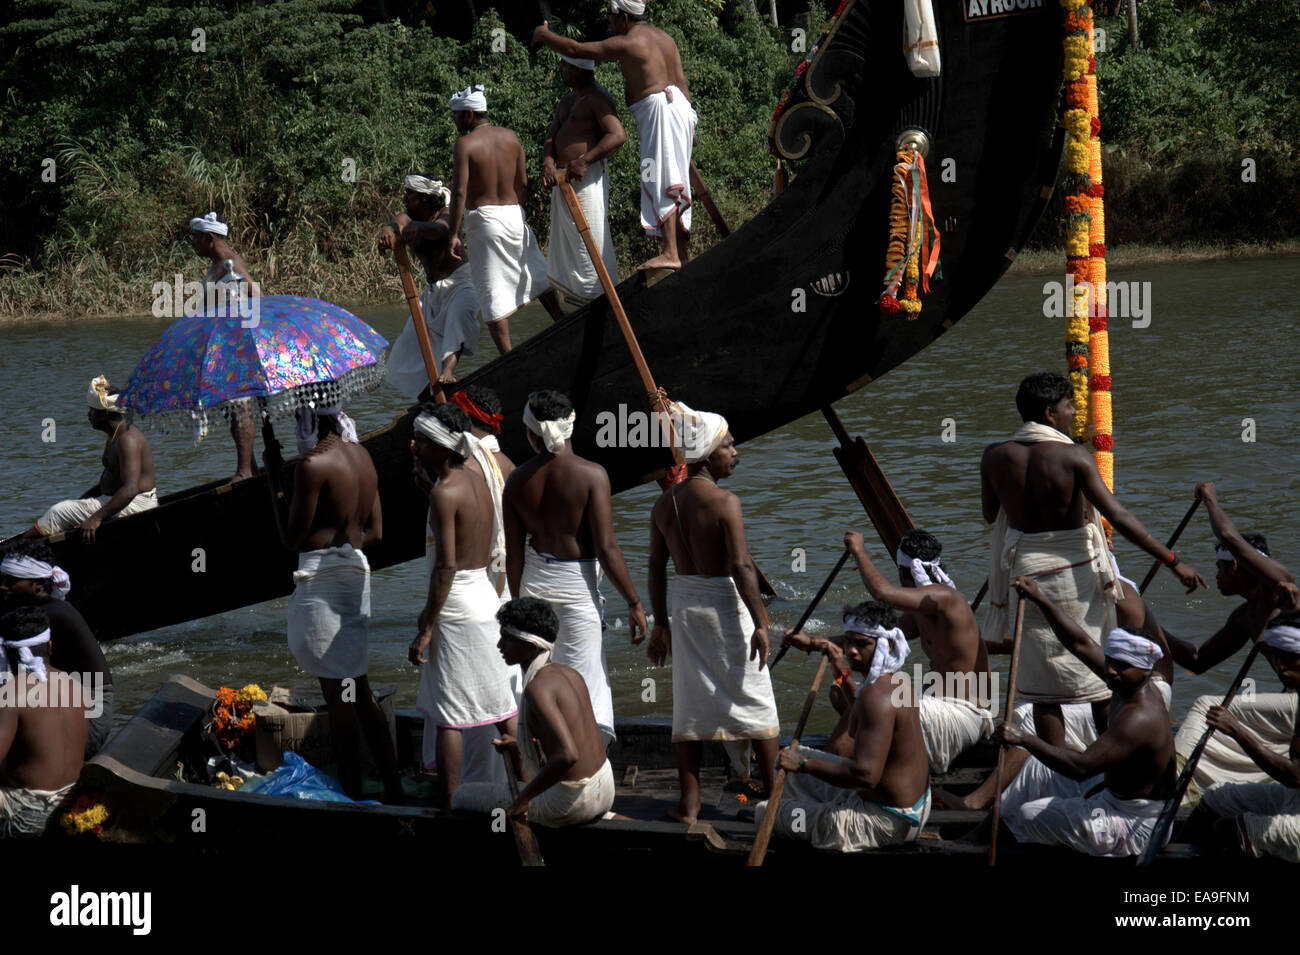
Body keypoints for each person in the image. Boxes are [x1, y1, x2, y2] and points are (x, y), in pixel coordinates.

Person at [980, 371, 1203, 748]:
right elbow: (1118, 517)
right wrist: (1172, 560)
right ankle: (1108, 760)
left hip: (1026, 576)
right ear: (1051, 413)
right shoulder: (1072, 456)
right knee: (1101, 677)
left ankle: (1055, 768)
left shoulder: (995, 456)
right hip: (1074, 577)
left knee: (1041, 688)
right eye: (1069, 407)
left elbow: (990, 515)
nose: (1073, 414)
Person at [648, 401, 779, 823]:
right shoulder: (725, 502)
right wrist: (761, 621)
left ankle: (689, 805)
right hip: (724, 603)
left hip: (685, 606)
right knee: (756, 700)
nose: (735, 452)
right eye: (728, 445)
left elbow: (654, 568)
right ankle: (775, 795)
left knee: (689, 704)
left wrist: (660, 625)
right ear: (706, 455)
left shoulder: (663, 504)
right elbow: (741, 567)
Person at [268, 403, 402, 803]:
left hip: (322, 580)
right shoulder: (363, 457)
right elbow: (375, 533)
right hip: (355, 575)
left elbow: (291, 540)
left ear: (304, 421)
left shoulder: (312, 466)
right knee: (357, 688)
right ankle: (393, 790)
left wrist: (275, 480)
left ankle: (351, 794)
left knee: (341, 697)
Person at [504, 390, 647, 746]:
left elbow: (514, 554)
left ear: (531, 434)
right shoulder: (592, 475)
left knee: (539, 679)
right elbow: (607, 547)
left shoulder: (517, 481)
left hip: (534, 584)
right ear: (569, 430)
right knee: (586, 682)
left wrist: (517, 603)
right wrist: (634, 602)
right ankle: (589, 771)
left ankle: (546, 763)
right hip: (579, 587)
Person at [755, 600, 931, 851]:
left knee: (764, 812)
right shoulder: (897, 681)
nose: (852, 651)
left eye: (862, 644)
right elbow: (861, 714)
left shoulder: (875, 697)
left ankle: (795, 815)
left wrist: (804, 766)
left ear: (887, 644)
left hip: (887, 821)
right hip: (913, 806)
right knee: (789, 760)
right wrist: (840, 671)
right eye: (848, 642)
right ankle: (803, 809)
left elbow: (865, 776)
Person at [409, 403, 519, 804]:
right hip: (485, 598)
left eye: (421, 440)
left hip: (456, 604)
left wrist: (426, 627)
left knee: (448, 715)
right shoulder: (480, 481)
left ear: (441, 446)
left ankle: (451, 802)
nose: (415, 446)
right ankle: (524, 784)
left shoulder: (445, 492)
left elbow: (446, 567)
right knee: (502, 703)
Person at [534, 1, 697, 270]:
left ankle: (670, 252)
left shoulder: (629, 42)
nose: (609, 24)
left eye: (610, 18)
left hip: (661, 111)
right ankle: (679, 252)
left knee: (660, 178)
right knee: (673, 178)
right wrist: (690, 130)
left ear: (623, 17)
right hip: (680, 109)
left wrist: (544, 35)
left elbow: (576, 50)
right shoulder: (666, 39)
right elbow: (681, 83)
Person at [998, 614, 1176, 857]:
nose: (1111, 671)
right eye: (1109, 662)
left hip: (1135, 825)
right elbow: (1080, 643)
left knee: (1030, 814)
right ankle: (994, 830)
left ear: (1145, 671)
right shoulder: (1125, 683)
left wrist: (1023, 738)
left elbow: (1080, 768)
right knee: (1037, 769)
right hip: (1111, 793)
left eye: (1122, 666)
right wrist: (1039, 599)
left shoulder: (1139, 717)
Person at [1165, 482, 1298, 801]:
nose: (1216, 574)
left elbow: (1229, 539)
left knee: (1203, 706)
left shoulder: (1277, 588)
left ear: (1238, 566)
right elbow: (1198, 660)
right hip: (1292, 701)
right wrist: (1150, 627)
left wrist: (1211, 500)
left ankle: (1171, 790)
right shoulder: (1243, 617)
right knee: (1208, 716)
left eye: (1220, 568)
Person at [454, 597, 616, 826]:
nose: (499, 646)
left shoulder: (537, 688)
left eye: (507, 639)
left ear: (530, 647)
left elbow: (568, 755)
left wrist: (524, 799)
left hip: (572, 801)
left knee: (462, 795)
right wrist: (519, 745)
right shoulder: (570, 673)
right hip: (605, 786)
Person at [841, 529, 993, 773]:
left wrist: (859, 551)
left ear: (904, 571)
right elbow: (872, 637)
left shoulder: (947, 598)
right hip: (938, 708)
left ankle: (850, 769)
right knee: (841, 690)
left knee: (874, 697)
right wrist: (814, 642)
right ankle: (865, 763)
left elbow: (882, 593)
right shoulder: (923, 610)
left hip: (965, 715)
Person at [444, 84, 564, 355]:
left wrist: (454, 233)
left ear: (470, 115)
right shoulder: (512, 137)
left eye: (456, 114)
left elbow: (460, 191)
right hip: (513, 214)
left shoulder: (465, 145)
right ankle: (560, 317)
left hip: (484, 221)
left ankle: (507, 354)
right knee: (534, 268)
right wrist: (513, 209)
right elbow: (522, 181)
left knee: (490, 289)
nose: (454, 119)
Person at [1192, 611, 1300, 863]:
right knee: (1215, 797)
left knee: (1230, 829)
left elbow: (1293, 775)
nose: (1281, 666)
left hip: (1295, 793)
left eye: (1290, 659)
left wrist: (1237, 731)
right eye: (1276, 657)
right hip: (1294, 798)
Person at [0, 540, 112, 758]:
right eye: (2, 579)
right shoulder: (39, 606)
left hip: (91, 715)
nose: (3, 586)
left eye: (12, 581)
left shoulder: (51, 613)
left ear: (38, 584)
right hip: (68, 700)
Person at [22, 377, 158, 541]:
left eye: (92, 410)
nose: (89, 415)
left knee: (58, 512)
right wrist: (80, 503)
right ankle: (23, 541)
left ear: (104, 414)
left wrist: (95, 518)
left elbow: (130, 489)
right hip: (121, 501)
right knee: (67, 509)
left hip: (137, 505)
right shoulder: (115, 435)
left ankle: (16, 547)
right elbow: (107, 483)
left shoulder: (127, 440)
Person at [379, 174, 481, 391]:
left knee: (458, 318)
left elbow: (443, 229)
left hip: (461, 281)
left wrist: (420, 227)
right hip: (434, 290)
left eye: (410, 194)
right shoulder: (408, 217)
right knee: (410, 344)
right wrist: (388, 232)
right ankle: (427, 395)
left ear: (424, 198)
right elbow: (395, 224)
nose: (405, 198)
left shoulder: (447, 212)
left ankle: (447, 372)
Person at [541, 54, 626, 305]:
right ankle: (581, 302)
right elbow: (551, 137)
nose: (562, 70)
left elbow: (617, 135)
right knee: (572, 245)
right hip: (563, 181)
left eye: (566, 65)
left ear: (578, 68)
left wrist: (585, 160)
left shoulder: (598, 99)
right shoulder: (567, 101)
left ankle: (599, 298)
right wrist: (548, 162)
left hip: (586, 180)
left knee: (591, 238)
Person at [0, 607, 88, 838]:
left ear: (7, 653)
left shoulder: (11, 694)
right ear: (50, 647)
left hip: (25, 813)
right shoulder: (74, 684)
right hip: (71, 801)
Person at [190, 210, 263, 483]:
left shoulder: (230, 263)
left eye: (195, 238)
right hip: (223, 343)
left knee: (239, 404)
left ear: (209, 238)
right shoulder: (219, 262)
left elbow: (257, 296)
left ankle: (245, 471)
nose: (192, 243)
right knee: (231, 407)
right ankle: (249, 467)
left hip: (235, 345)